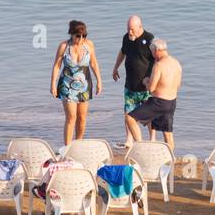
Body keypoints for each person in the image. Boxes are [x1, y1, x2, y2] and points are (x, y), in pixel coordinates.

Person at [50, 20, 103, 146]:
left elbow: (94, 63)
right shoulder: (64, 46)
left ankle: (78, 145)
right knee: (71, 117)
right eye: (77, 36)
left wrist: (99, 81)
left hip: (84, 85)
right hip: (67, 85)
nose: (80, 39)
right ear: (71, 34)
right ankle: (67, 148)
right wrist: (53, 83)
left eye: (83, 36)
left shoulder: (89, 45)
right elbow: (57, 65)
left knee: (82, 118)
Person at [126, 39, 181, 153]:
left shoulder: (159, 65)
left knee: (130, 118)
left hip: (158, 103)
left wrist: (146, 81)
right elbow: (178, 85)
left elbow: (151, 89)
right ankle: (170, 159)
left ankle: (140, 146)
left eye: (152, 53)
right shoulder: (176, 63)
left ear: (156, 51)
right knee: (168, 134)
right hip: (171, 102)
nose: (152, 55)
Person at [112, 15, 155, 148]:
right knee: (128, 113)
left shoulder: (149, 39)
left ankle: (152, 139)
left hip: (146, 86)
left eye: (132, 30)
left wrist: (152, 79)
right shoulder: (127, 38)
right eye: (128, 29)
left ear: (140, 27)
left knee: (149, 114)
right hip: (130, 85)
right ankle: (129, 140)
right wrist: (115, 67)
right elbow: (122, 52)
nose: (129, 32)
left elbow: (157, 60)